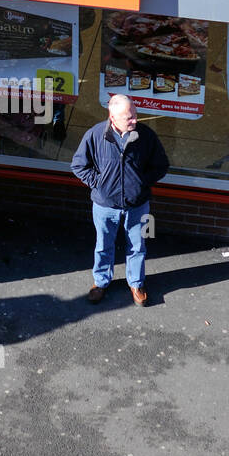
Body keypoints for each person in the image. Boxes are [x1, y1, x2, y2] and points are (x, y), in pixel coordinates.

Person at [70, 94, 170, 306]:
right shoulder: (95, 135)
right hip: (104, 206)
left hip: (138, 205)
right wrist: (99, 184)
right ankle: (101, 282)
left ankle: (136, 282)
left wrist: (141, 183)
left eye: (135, 115)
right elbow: (79, 165)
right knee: (103, 245)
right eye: (129, 118)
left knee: (138, 245)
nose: (134, 120)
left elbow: (161, 165)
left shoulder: (146, 136)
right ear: (112, 117)